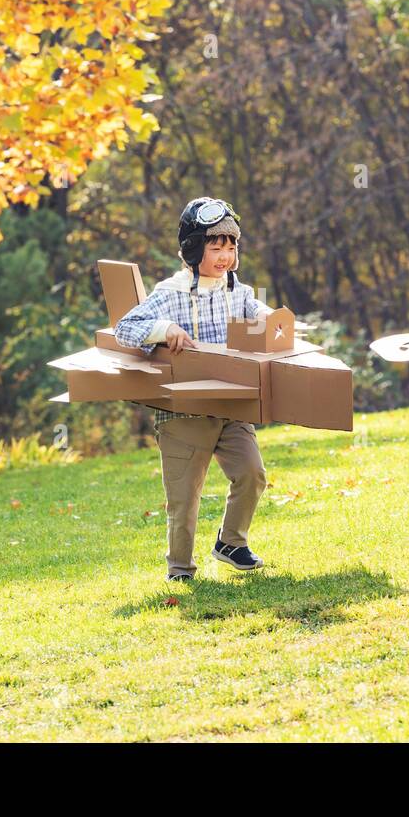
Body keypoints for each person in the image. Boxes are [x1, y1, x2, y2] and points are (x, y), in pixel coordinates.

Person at [114, 198, 272, 581]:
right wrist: (163, 330)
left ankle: (231, 542)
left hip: (231, 406)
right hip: (182, 413)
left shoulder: (240, 291)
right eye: (215, 247)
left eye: (231, 246)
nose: (225, 255)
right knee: (185, 497)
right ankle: (180, 568)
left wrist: (272, 321)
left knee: (252, 474)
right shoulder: (170, 292)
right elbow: (125, 328)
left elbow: (261, 318)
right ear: (193, 248)